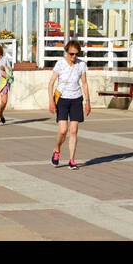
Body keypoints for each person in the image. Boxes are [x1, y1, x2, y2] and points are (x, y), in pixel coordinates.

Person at [48, 40, 91, 169]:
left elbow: (84, 83)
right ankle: (57, 149)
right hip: (62, 99)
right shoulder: (60, 64)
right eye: (71, 54)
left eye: (75, 54)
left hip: (76, 99)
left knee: (73, 130)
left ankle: (72, 160)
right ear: (66, 52)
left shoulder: (81, 65)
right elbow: (50, 84)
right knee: (63, 130)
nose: (73, 56)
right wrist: (51, 101)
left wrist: (88, 103)